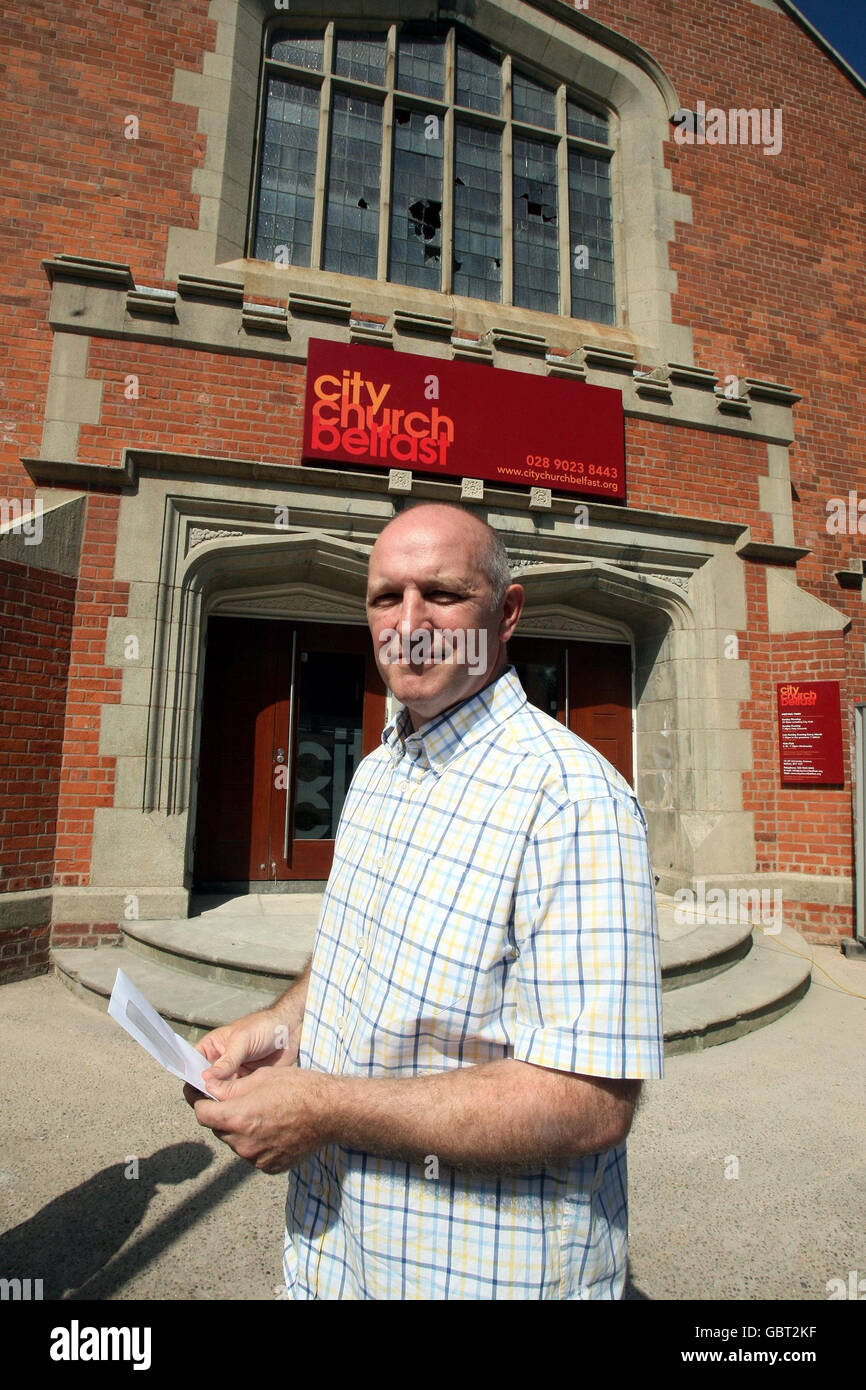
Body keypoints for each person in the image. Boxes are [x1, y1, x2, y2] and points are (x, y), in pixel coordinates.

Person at [185, 500, 664, 1299]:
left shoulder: (572, 799)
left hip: (481, 1273)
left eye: (440, 594)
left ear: (506, 613)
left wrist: (326, 1109)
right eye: (385, 597)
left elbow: (588, 1101)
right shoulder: (380, 766)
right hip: (338, 1251)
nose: (408, 623)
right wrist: (278, 1027)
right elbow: (357, 951)